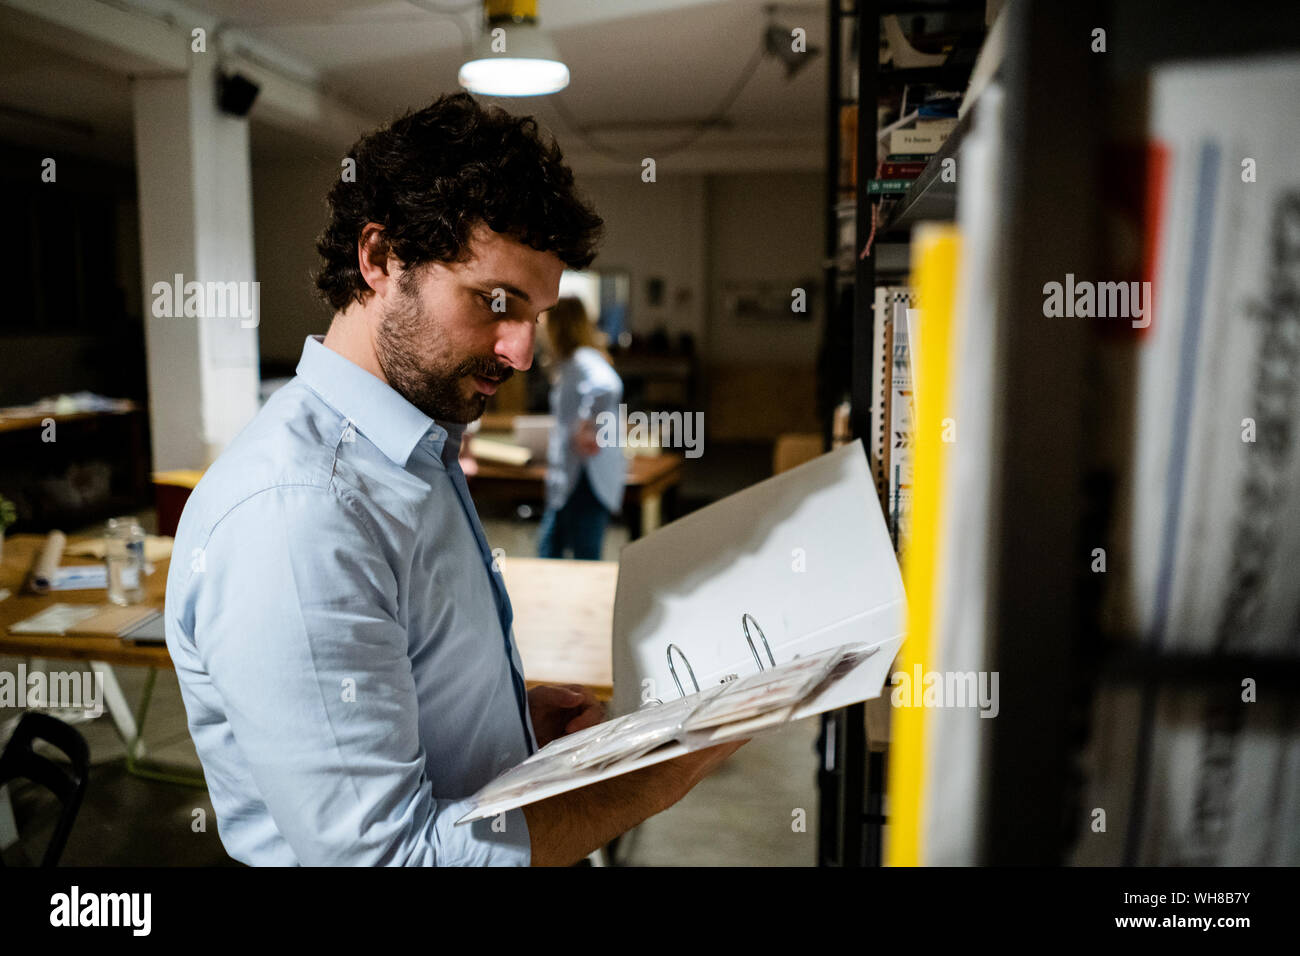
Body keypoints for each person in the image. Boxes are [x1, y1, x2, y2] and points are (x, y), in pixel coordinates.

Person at [164, 93, 742, 867]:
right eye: (494, 302)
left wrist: (504, 722)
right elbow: (387, 860)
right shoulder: (298, 515)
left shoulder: (414, 444)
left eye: (535, 312)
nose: (522, 353)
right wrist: (651, 780)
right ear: (379, 259)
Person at [537, 297, 627, 560]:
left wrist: (586, 426)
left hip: (586, 476)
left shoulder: (582, 358)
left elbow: (607, 386)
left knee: (581, 554)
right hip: (575, 474)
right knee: (552, 546)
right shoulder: (571, 362)